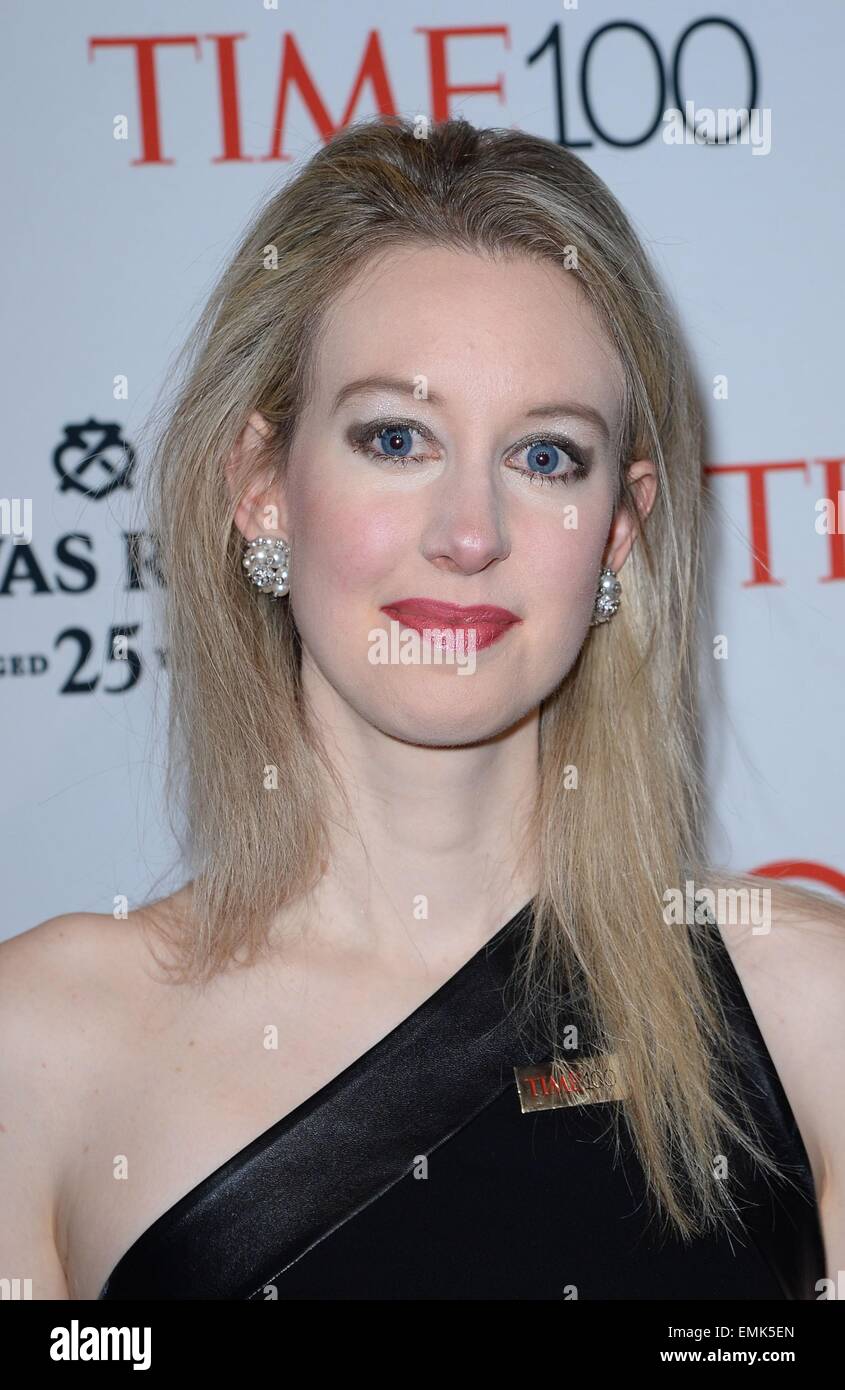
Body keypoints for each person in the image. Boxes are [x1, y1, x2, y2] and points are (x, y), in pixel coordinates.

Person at [1, 114, 843, 1302]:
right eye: (396, 438)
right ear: (262, 489)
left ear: (618, 527)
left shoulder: (808, 1009)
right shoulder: (39, 1046)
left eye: (544, 456)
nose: (468, 534)